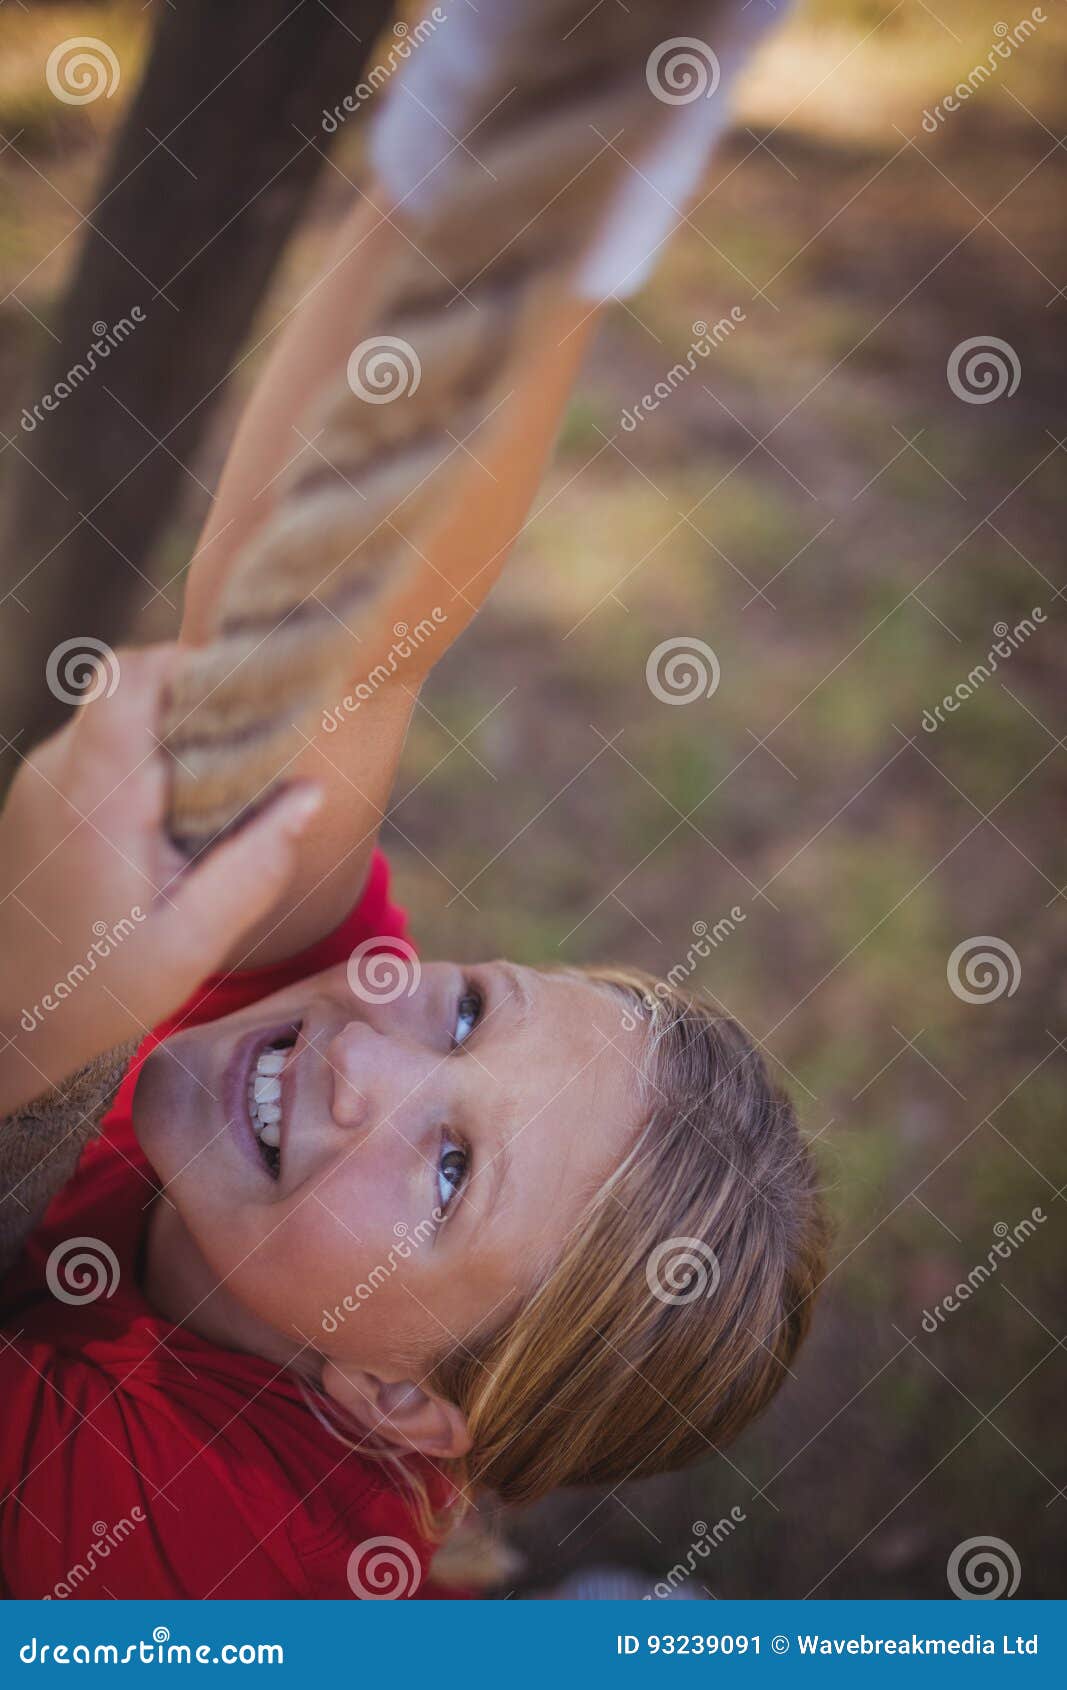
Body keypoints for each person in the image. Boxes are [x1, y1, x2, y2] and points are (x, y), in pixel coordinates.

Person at [0, 191, 827, 1601]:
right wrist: (513, 205)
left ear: (399, 1402)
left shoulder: (187, 1550)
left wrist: (29, 985)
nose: (366, 1050)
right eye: (465, 1012)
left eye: (449, 1171)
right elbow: (350, 639)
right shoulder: (327, 1036)